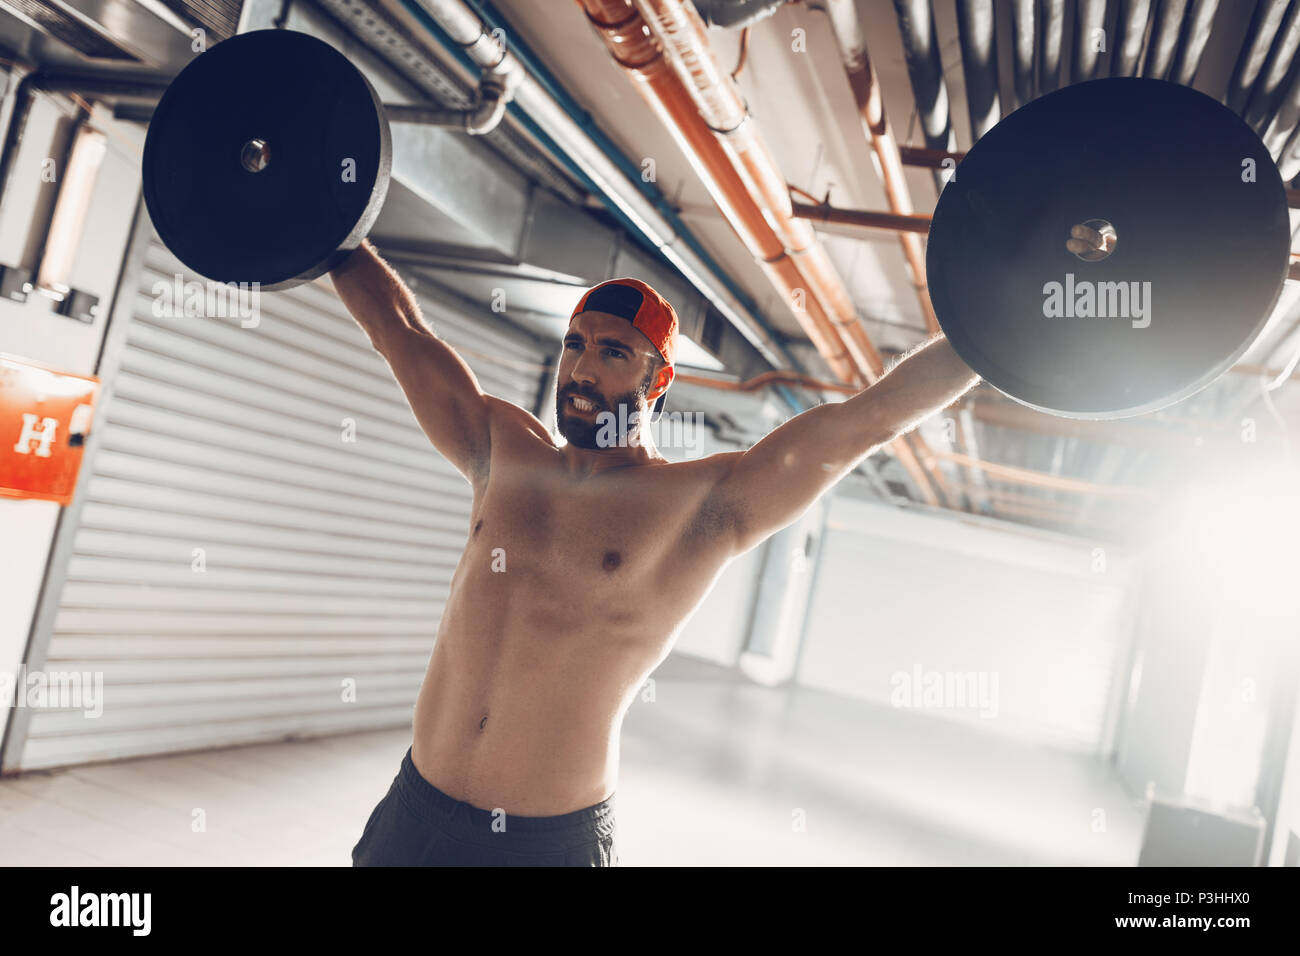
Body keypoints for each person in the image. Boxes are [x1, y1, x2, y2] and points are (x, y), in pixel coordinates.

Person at [331, 239, 980, 865]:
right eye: (575, 345)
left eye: (614, 353)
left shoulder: (701, 504)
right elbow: (398, 330)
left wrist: (998, 328)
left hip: (544, 843)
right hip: (415, 815)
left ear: (659, 376)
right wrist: (333, 231)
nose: (583, 369)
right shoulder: (502, 448)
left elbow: (868, 419)